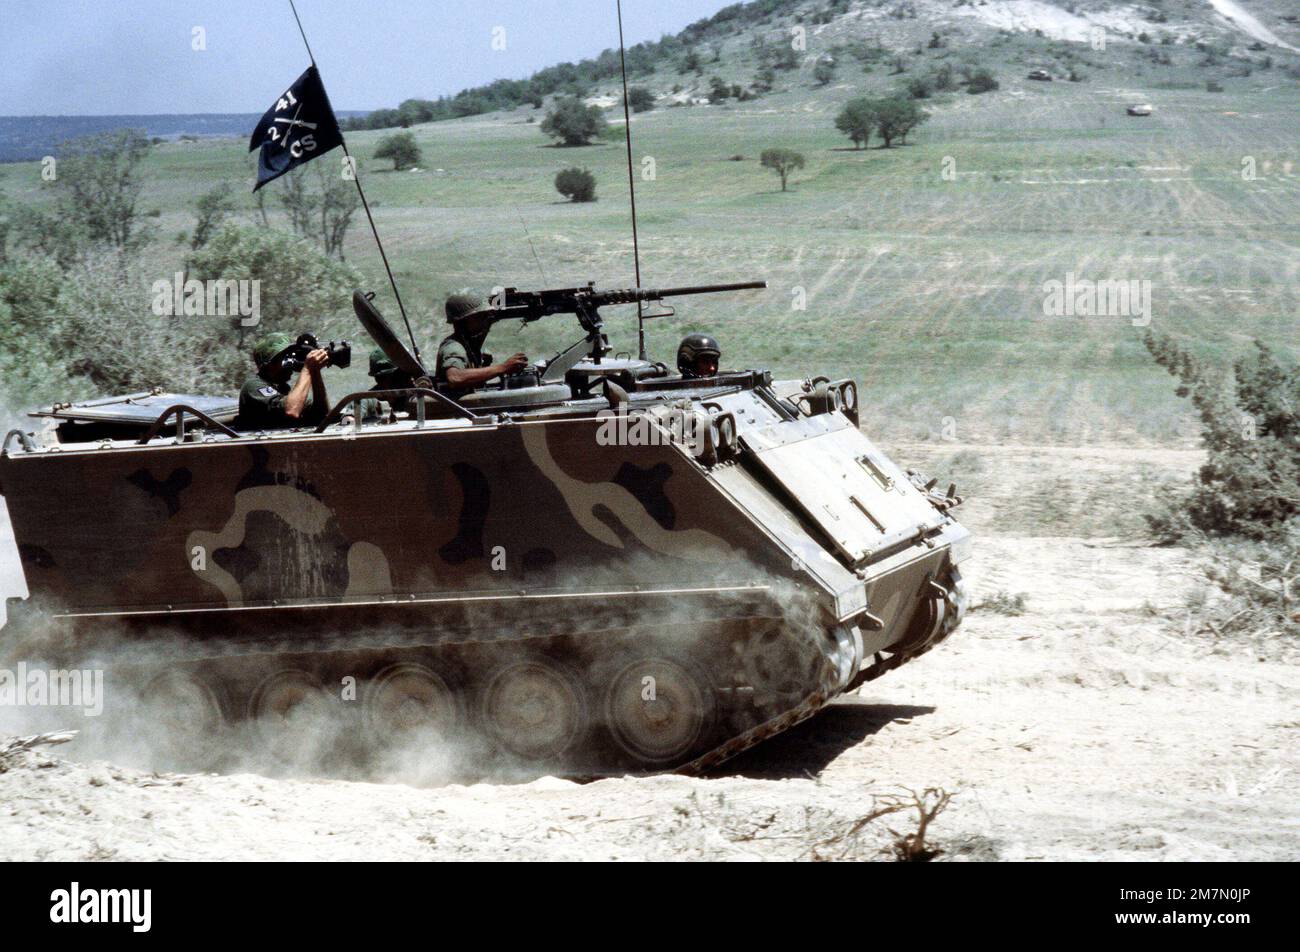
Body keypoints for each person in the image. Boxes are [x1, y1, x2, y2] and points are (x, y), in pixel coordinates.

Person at [434, 293, 528, 394]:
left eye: (485, 316)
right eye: (479, 317)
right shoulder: (454, 347)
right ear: (462, 321)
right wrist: (502, 367)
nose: (485, 320)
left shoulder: (469, 344)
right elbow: (455, 377)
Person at [236, 332, 330, 430]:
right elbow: (291, 411)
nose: (291, 361)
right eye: (285, 357)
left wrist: (315, 371)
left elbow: (321, 413)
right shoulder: (253, 386)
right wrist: (308, 368)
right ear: (269, 362)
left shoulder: (283, 388)